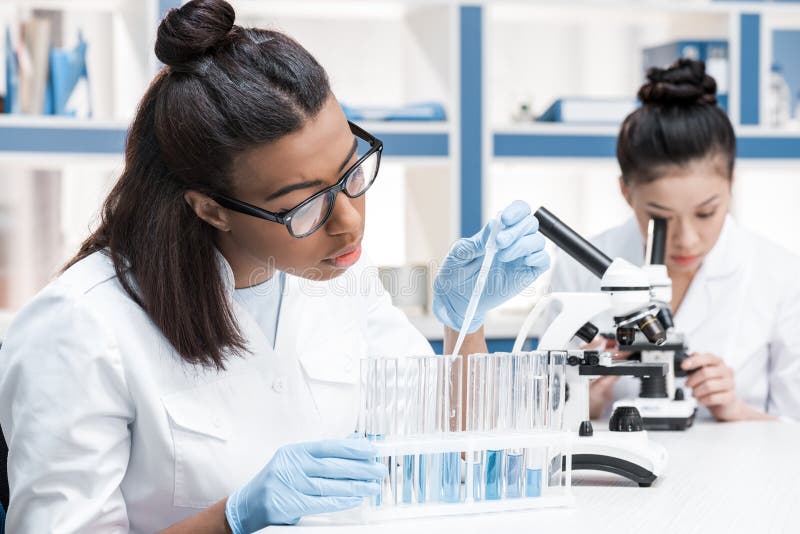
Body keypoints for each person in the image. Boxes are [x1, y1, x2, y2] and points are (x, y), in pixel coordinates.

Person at [0, 1, 550, 532]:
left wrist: (465, 324)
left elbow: (449, 457)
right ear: (211, 208)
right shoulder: (82, 326)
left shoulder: (339, 278)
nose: (350, 222)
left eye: (350, 172)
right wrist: (230, 519)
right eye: (304, 204)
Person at [550, 58, 800, 423]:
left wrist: (736, 410)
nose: (686, 240)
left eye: (705, 213)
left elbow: (793, 436)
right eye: (659, 219)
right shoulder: (578, 269)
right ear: (625, 192)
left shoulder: (780, 275)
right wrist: (581, 401)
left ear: (731, 185)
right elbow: (542, 417)